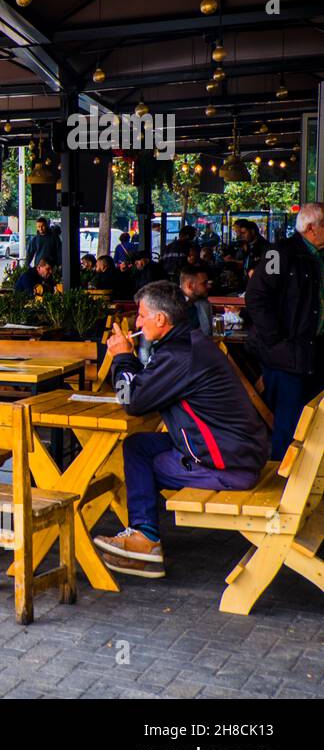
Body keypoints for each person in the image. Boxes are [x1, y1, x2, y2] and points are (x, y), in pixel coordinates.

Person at [98, 282, 269, 579]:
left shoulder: (180, 355)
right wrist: (130, 360)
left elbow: (131, 401)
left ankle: (145, 542)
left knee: (144, 466)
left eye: (141, 315)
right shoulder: (188, 344)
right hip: (235, 449)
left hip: (226, 464)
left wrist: (123, 358)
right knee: (137, 446)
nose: (137, 323)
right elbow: (147, 387)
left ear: (160, 319)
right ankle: (144, 534)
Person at [244, 202, 324, 460]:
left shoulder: (320, 256)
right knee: (289, 422)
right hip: (286, 354)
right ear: (311, 228)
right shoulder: (278, 253)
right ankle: (282, 476)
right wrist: (275, 338)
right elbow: (256, 296)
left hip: (316, 350)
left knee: (316, 421)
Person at [178, 266, 213, 337]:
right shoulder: (170, 305)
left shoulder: (203, 303)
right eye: (204, 283)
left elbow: (207, 333)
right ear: (190, 286)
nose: (209, 286)